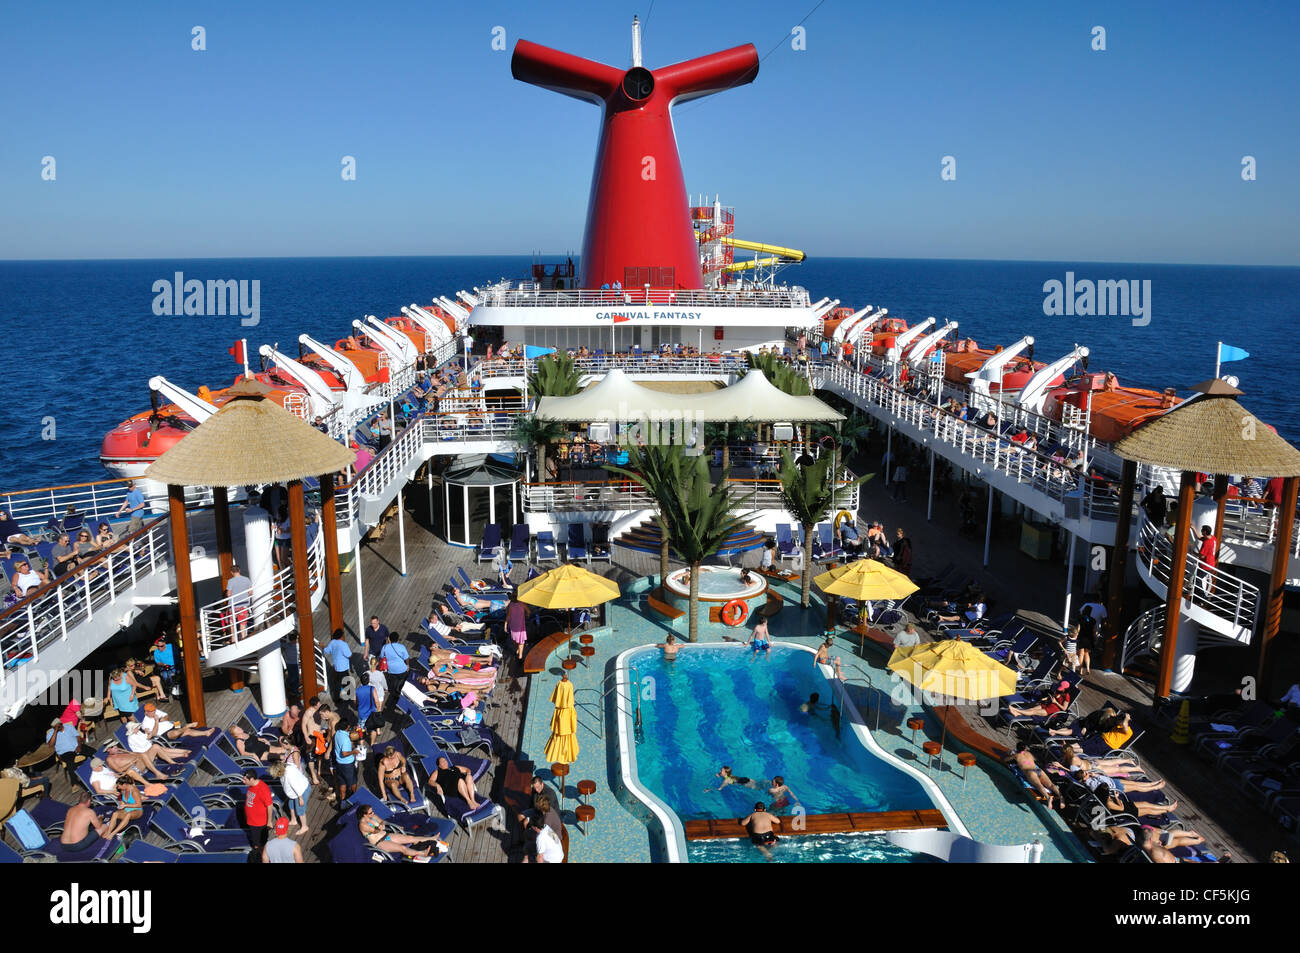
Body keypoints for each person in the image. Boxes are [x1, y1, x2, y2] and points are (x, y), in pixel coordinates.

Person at [357, 805, 435, 860]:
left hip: (387, 835)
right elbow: (375, 831)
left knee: (410, 838)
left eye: (372, 811)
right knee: (402, 848)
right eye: (370, 813)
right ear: (364, 815)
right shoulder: (363, 824)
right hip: (380, 842)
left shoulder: (373, 816)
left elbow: (382, 821)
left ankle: (431, 838)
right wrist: (380, 828)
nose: (373, 813)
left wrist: (382, 824)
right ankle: (423, 853)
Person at [1012, 743, 1061, 808]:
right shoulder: (1029, 754)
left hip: (1029, 771)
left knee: (1038, 785)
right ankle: (1061, 796)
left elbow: (1005, 759)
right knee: (1051, 785)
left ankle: (1048, 798)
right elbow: (1034, 760)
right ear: (1025, 748)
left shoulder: (1016, 755)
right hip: (1037, 769)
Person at [280, 745, 312, 836]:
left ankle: (304, 826)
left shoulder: (288, 774)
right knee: (291, 803)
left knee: (300, 809)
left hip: (302, 789)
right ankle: (294, 820)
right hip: (296, 789)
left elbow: (295, 786)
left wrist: (300, 798)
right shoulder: (287, 766)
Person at [242, 768, 274, 850]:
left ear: (252, 779)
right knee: (256, 842)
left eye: (245, 779)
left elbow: (270, 806)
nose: (243, 781)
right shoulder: (251, 785)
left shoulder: (263, 789)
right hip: (252, 821)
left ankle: (260, 858)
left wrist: (269, 822)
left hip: (259, 824)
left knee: (259, 845)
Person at [379, 632, 410, 712]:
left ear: (389, 639)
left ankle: (395, 696)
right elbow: (406, 657)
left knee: (393, 684)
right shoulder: (401, 647)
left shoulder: (385, 647)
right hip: (402, 669)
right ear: (398, 639)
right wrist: (407, 665)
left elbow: (381, 657)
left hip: (391, 671)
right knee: (402, 684)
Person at [323, 629, 354, 710]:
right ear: (341, 636)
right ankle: (342, 698)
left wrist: (322, 646)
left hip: (336, 667)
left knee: (340, 682)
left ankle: (340, 697)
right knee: (345, 682)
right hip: (343, 667)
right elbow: (349, 655)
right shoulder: (344, 644)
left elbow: (326, 650)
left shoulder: (332, 642)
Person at [333, 717, 359, 805]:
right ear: (347, 726)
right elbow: (344, 753)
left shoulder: (337, 733)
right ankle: (355, 800)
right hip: (347, 765)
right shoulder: (346, 739)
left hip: (339, 764)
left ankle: (343, 802)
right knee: (353, 783)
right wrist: (353, 751)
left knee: (342, 783)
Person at [224, 565, 254, 640]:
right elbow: (250, 592)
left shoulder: (230, 581)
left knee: (233, 624)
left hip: (233, 606)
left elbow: (228, 594)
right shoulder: (246, 579)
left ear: (231, 572)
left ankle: (233, 639)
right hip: (243, 605)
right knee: (242, 624)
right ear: (239, 571)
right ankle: (243, 638)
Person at [505, 592, 528, 661]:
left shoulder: (510, 605)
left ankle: (517, 651)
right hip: (521, 626)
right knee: (521, 641)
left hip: (513, 626)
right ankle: (520, 656)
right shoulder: (522, 603)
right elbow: (528, 612)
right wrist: (525, 615)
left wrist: (505, 625)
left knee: (515, 640)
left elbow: (508, 616)